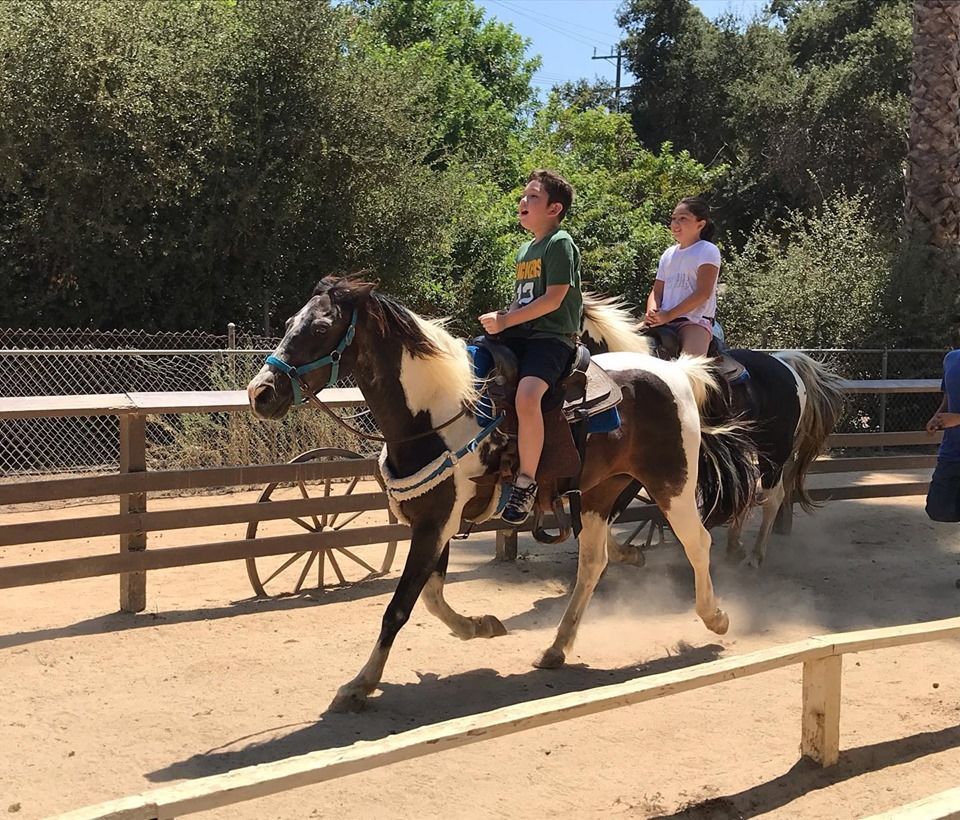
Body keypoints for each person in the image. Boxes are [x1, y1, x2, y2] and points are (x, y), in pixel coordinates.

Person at [478, 169, 583, 525]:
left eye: (533, 197)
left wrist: (507, 321)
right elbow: (522, 301)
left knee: (527, 396)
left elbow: (554, 300)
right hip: (523, 334)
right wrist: (503, 316)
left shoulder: (560, 243)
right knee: (475, 362)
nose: (523, 202)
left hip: (553, 337)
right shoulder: (525, 249)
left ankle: (526, 482)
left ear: (554, 209)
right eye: (524, 196)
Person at [644, 197, 721, 357]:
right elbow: (657, 291)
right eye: (673, 219)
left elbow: (703, 293)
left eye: (683, 219)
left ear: (700, 224)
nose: (675, 224)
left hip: (694, 322)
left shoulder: (708, 250)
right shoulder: (668, 254)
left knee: (690, 369)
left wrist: (668, 315)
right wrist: (652, 311)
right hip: (663, 319)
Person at [924, 348, 960, 522]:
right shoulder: (951, 358)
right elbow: (949, 396)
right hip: (952, 451)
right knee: (938, 509)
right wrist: (937, 416)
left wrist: (957, 419)